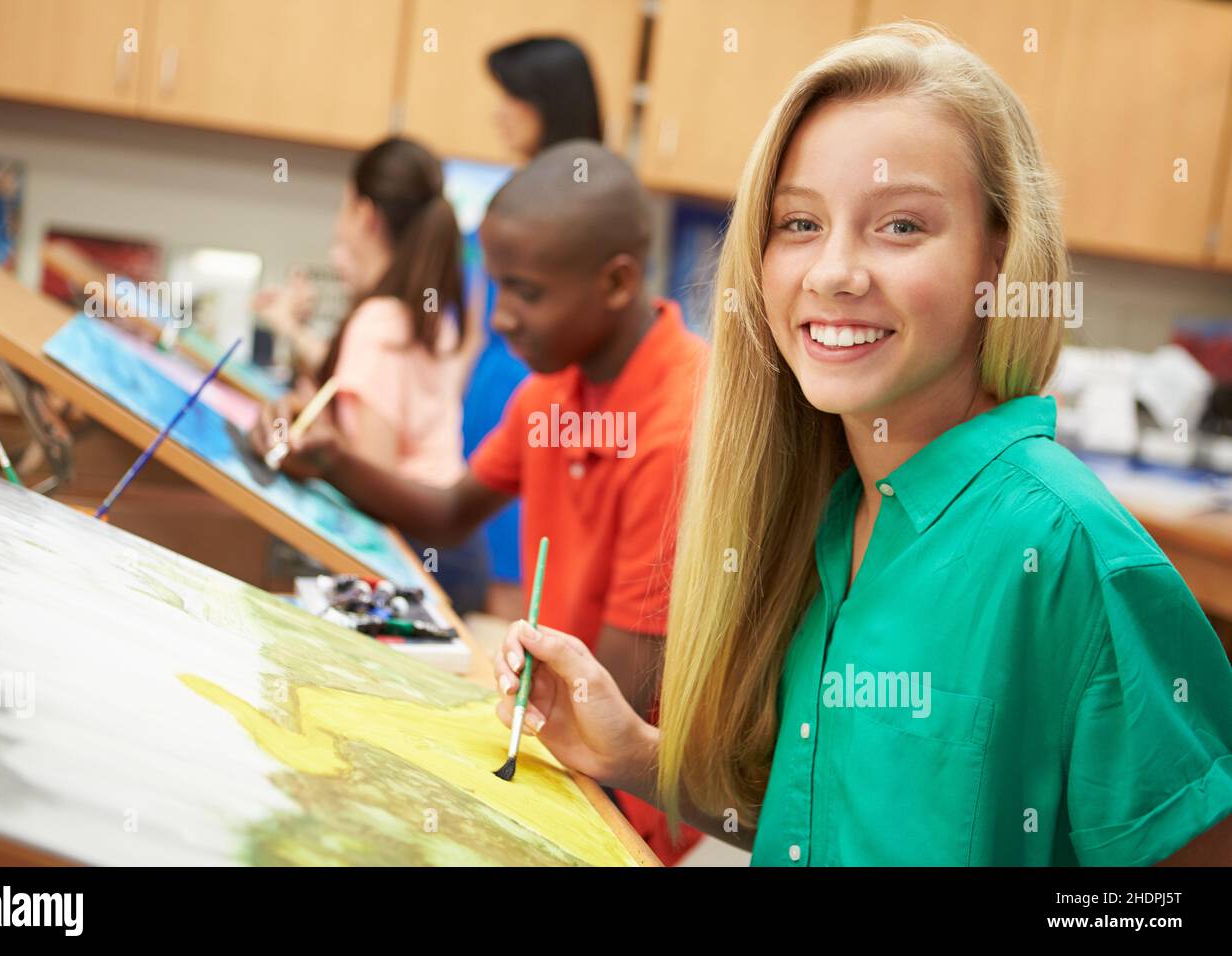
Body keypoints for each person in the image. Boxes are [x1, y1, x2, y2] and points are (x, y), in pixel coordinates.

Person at [492, 22, 1232, 866]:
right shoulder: (834, 512)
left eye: (903, 227)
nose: (835, 271)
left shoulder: (1068, 551)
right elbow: (828, 828)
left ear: (999, 257)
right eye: (800, 223)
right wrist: (631, 751)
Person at [251, 141, 707, 864]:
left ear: (616, 283)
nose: (500, 319)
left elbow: (614, 692)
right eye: (496, 289)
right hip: (555, 730)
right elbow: (449, 511)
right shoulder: (548, 394)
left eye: (526, 292)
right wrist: (330, 459)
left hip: (621, 793)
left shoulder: (680, 425)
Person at [255, 137, 488, 614]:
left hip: (413, 545)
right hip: (454, 546)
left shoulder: (378, 321)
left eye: (343, 207)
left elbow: (372, 473)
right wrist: (294, 331)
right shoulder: (427, 316)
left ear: (365, 214)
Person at [463, 36, 607, 614]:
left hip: (548, 396)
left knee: (527, 586)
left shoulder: (588, 198)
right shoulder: (510, 191)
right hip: (491, 394)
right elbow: (479, 320)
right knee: (485, 583)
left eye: (512, 97)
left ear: (548, 102)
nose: (499, 112)